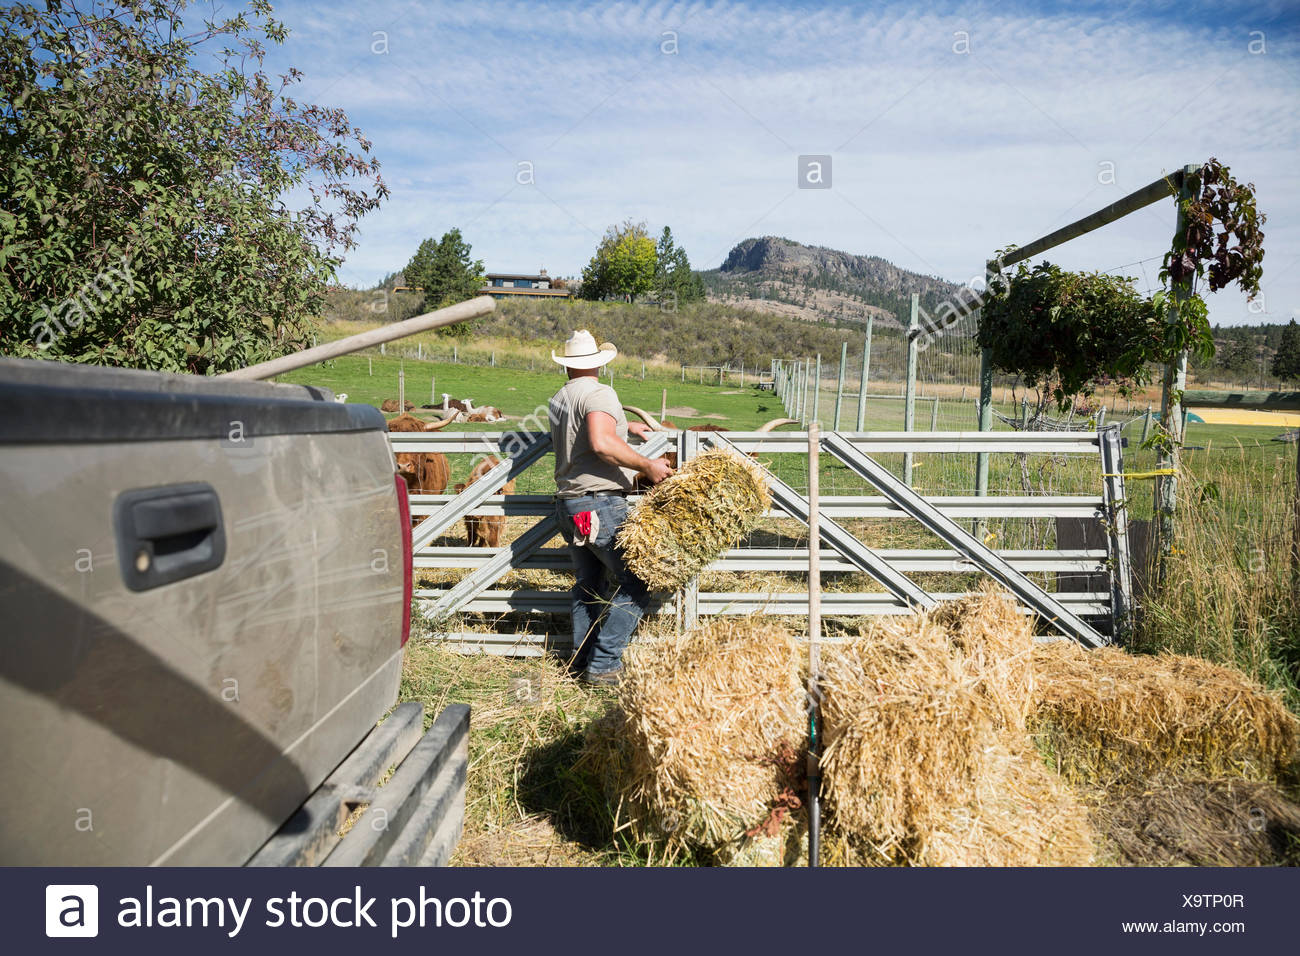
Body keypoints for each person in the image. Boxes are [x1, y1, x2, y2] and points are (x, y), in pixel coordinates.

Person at [548, 330, 674, 685]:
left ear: (568, 365)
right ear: (598, 363)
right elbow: (601, 443)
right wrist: (647, 466)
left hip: (569, 506)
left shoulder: (559, 398)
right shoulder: (600, 392)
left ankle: (581, 660)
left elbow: (586, 431)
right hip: (600, 504)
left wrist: (624, 425)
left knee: (588, 585)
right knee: (638, 580)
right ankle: (604, 665)